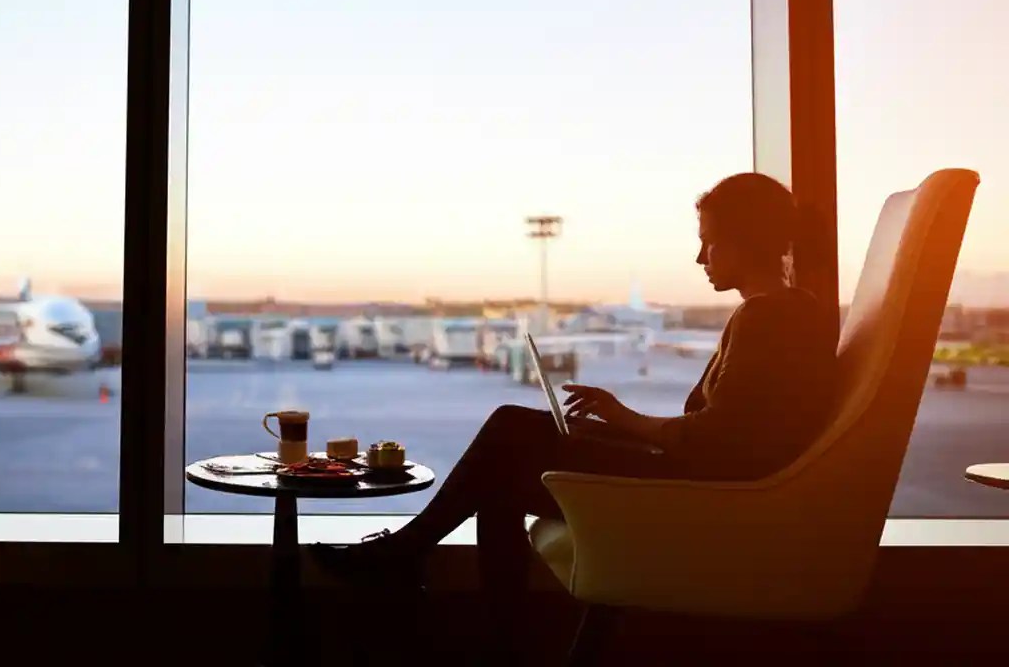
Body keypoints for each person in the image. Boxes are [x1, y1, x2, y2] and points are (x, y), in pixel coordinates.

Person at [311, 172, 839, 659]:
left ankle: (417, 561)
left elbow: (720, 441)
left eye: (710, 241)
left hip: (704, 491)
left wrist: (627, 421)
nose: (700, 258)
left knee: (510, 429)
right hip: (705, 477)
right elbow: (732, 430)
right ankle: (457, 599)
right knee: (506, 464)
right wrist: (616, 422)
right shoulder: (786, 311)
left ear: (747, 239)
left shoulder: (772, 319)